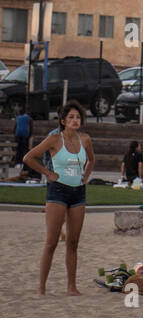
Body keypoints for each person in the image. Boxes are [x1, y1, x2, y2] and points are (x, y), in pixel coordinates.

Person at [23, 100, 94, 295]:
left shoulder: (85, 139)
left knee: (73, 243)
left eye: (78, 117)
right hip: (57, 192)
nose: (75, 120)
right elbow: (28, 158)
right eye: (71, 117)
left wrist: (85, 176)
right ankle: (42, 287)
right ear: (63, 120)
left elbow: (91, 160)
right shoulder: (54, 139)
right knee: (52, 241)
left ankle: (71, 286)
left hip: (78, 192)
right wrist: (48, 173)